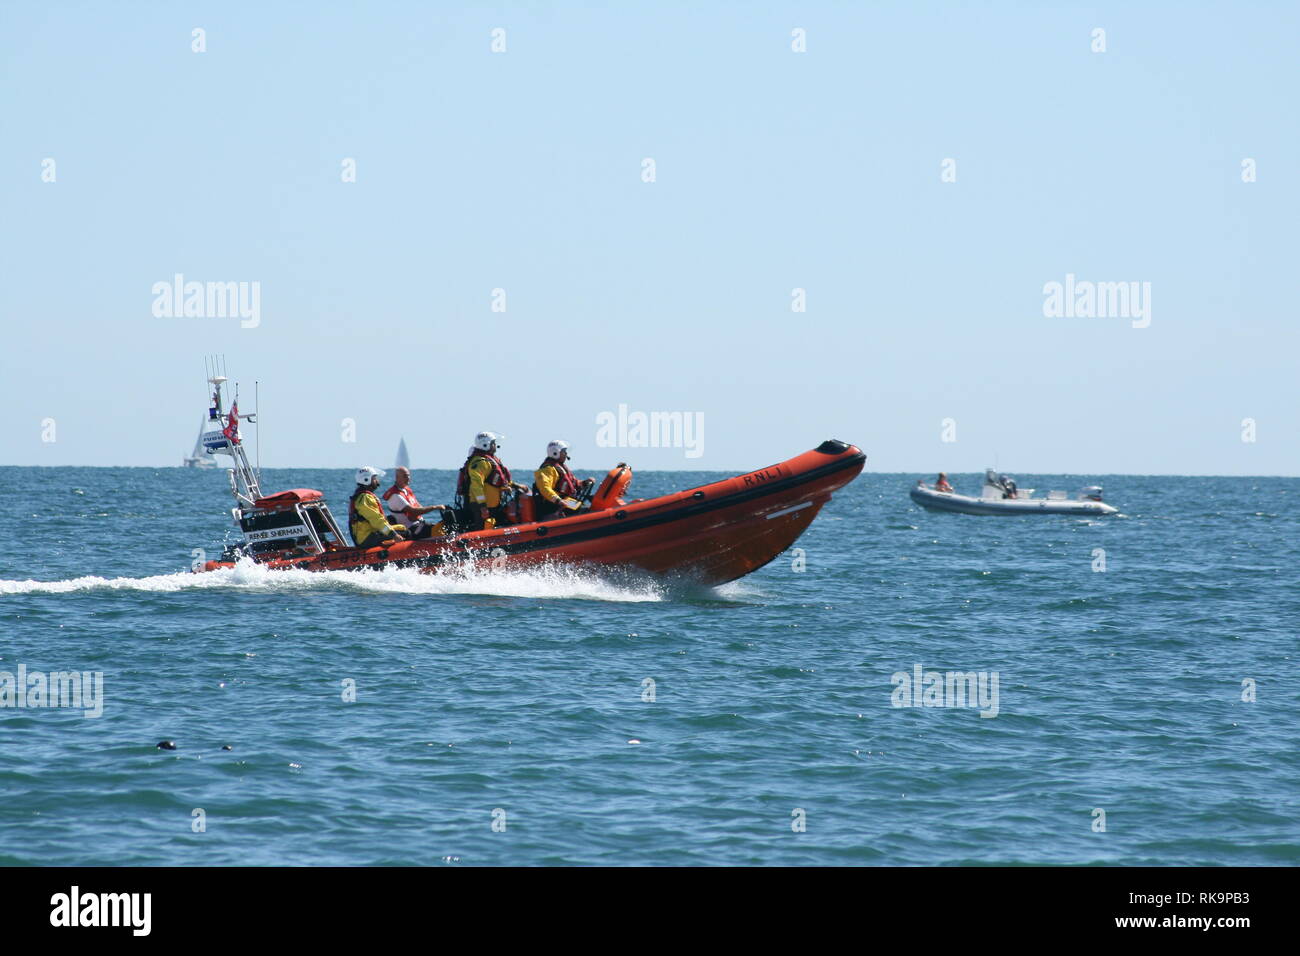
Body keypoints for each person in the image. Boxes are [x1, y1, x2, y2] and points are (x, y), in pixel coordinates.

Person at [455, 432, 528, 530]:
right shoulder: (480, 463)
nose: (495, 446)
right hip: (482, 506)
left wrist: (516, 486)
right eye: (493, 443)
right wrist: (482, 506)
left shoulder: (489, 461)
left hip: (492, 505)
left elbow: (498, 480)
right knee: (480, 530)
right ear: (486, 445)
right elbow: (476, 486)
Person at [381, 466, 450, 539]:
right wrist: (435, 507)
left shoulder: (406, 490)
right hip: (412, 529)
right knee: (441, 531)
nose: (408, 478)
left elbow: (419, 506)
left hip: (420, 524)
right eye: (405, 476)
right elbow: (413, 512)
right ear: (397, 477)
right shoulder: (395, 496)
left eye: (408, 475)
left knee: (445, 524)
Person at [533, 440, 594, 521]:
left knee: (588, 507)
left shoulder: (561, 468)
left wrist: (584, 483)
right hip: (554, 505)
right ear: (556, 453)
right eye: (564, 451)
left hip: (566, 502)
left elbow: (574, 483)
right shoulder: (548, 469)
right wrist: (558, 500)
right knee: (584, 511)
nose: (566, 454)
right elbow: (545, 488)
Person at [349, 466, 408, 549]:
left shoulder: (362, 496)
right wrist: (393, 535)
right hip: (367, 538)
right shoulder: (365, 498)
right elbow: (376, 520)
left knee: (395, 523)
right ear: (366, 480)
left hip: (367, 534)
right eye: (374, 478)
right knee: (404, 531)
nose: (377, 482)